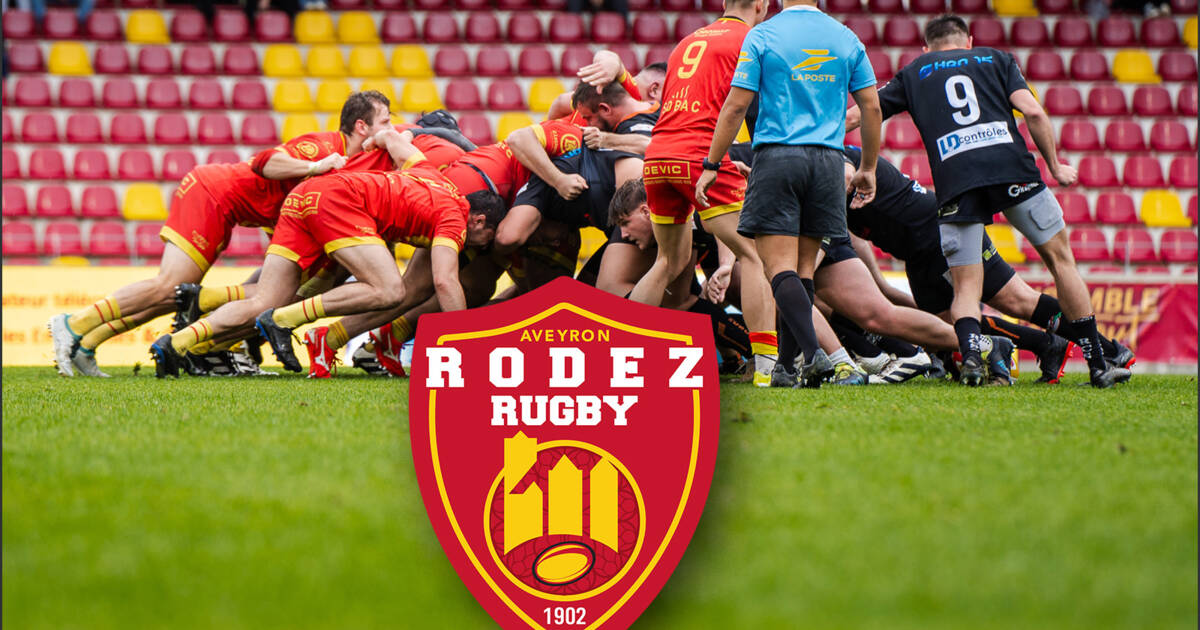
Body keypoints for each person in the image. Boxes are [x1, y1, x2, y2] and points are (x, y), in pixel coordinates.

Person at [845, 14, 1129, 388]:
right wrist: (1055, 165)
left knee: (968, 290)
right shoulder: (997, 58)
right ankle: (1099, 363)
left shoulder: (914, 72)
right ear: (968, 41)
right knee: (1062, 263)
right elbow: (1033, 112)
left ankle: (976, 364)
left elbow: (865, 112)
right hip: (1014, 172)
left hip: (957, 184)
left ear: (925, 48)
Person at [49, 91, 393, 377]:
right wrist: (313, 167)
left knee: (177, 296)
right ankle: (72, 323)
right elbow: (264, 161)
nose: (391, 129)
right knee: (170, 285)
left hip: (232, 212)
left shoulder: (351, 166)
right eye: (386, 122)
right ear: (361, 127)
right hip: (213, 194)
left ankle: (88, 342)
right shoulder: (325, 147)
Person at [148, 130, 505, 377]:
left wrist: (385, 134)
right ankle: (285, 321)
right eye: (487, 238)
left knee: (266, 299)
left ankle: (176, 344)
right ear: (479, 220)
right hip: (340, 201)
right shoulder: (454, 218)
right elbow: (444, 281)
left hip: (305, 194)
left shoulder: (428, 172)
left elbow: (396, 140)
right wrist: (465, 344)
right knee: (390, 289)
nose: (481, 246)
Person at [698, 0, 882, 388]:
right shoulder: (847, 37)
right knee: (802, 269)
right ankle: (785, 367)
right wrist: (867, 167)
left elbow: (735, 107)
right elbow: (871, 107)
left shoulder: (763, 35)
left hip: (779, 157)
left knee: (776, 268)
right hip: (829, 162)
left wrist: (713, 165)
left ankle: (814, 355)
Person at [838, 146, 1134, 382]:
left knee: (1018, 301)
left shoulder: (840, 158)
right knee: (946, 326)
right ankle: (1046, 345)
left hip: (939, 230)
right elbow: (856, 236)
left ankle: (1110, 351)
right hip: (916, 253)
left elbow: (846, 176)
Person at [622, 0, 782, 387]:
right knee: (756, 254)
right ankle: (767, 366)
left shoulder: (686, 41)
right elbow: (746, 104)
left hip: (659, 157)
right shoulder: (753, 37)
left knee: (667, 261)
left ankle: (623, 352)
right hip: (700, 156)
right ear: (760, 6)